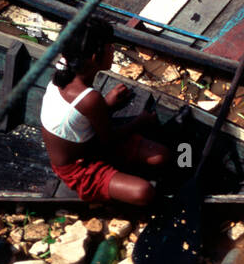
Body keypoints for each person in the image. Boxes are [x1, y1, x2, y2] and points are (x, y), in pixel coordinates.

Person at [40, 19, 169, 205]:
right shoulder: (90, 99)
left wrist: (106, 105)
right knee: (144, 192)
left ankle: (177, 162)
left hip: (87, 143)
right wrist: (140, 122)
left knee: (160, 156)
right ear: (94, 58)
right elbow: (108, 141)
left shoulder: (66, 66)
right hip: (77, 168)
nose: (113, 50)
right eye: (110, 47)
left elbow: (80, 113)